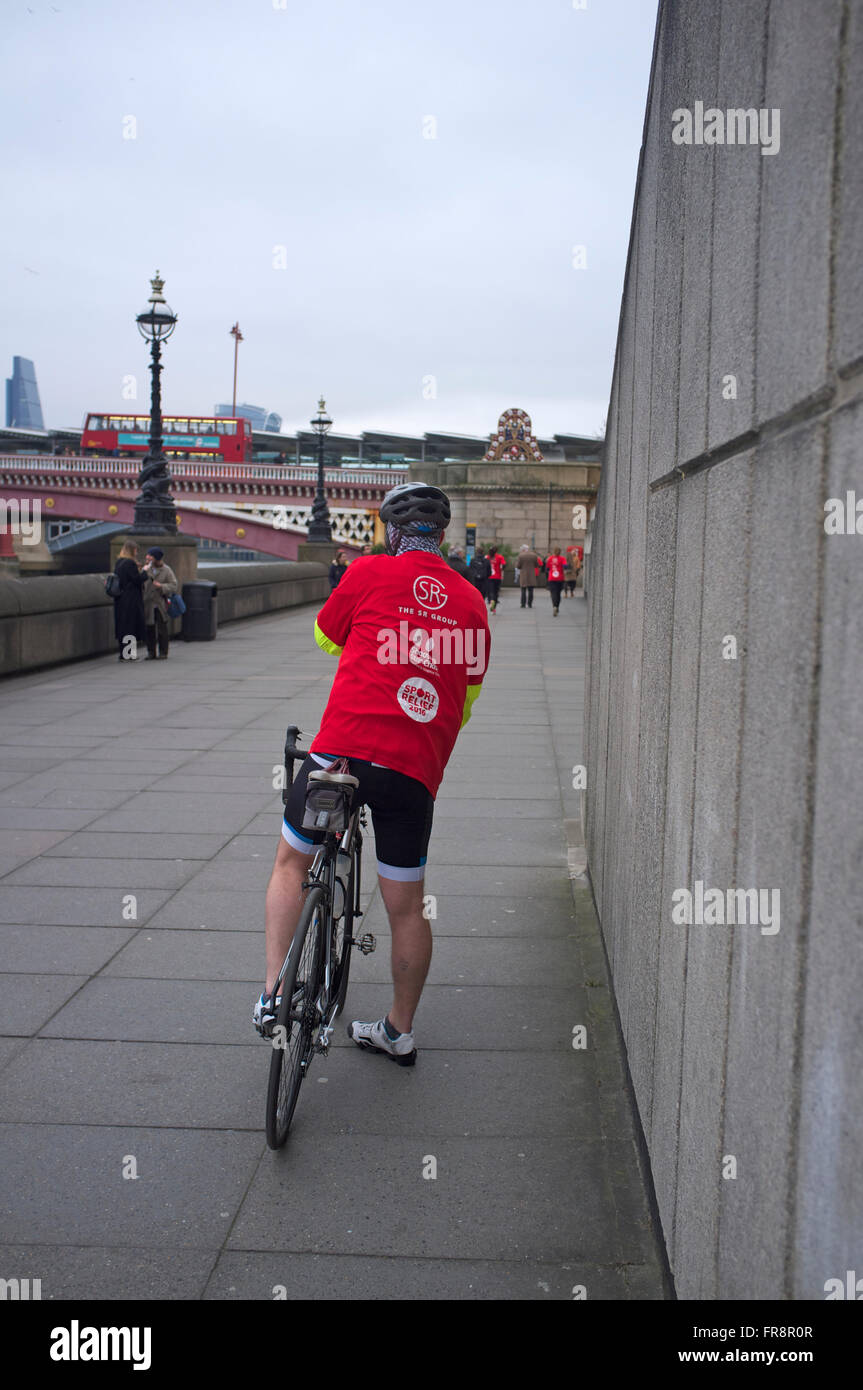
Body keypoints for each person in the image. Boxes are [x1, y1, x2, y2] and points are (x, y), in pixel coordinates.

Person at [255, 483, 491, 1065]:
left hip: (341, 753)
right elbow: (466, 699)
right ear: (444, 535)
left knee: (291, 862)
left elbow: (323, 637)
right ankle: (398, 1030)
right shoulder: (472, 601)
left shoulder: (364, 574)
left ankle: (273, 993)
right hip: (412, 770)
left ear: (391, 532)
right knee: (407, 907)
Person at [141, 547, 178, 660]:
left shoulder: (167, 570)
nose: (147, 558)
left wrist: (162, 586)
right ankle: (151, 652)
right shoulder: (146, 569)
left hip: (160, 604)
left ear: (156, 558)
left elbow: (174, 585)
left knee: (162, 629)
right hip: (148, 603)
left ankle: (163, 652)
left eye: (150, 556)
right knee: (149, 628)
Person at [112, 541, 146, 661]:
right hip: (131, 599)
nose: (137, 552)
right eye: (136, 550)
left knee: (122, 626)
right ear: (132, 550)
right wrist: (145, 572)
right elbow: (137, 580)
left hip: (120, 598)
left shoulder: (119, 562)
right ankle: (129, 654)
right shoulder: (130, 563)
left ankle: (123, 653)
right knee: (130, 626)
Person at [545, 546, 567, 616]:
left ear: (553, 552)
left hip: (552, 578)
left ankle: (554, 606)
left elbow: (547, 568)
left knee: (553, 593)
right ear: (560, 552)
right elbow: (565, 566)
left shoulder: (550, 558)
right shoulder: (562, 559)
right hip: (560, 578)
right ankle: (557, 606)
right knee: (558, 593)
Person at [486, 545, 507, 612]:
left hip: (489, 577)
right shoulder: (500, 557)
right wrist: (501, 569)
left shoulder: (487, 557)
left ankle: (491, 600)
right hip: (497, 577)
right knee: (496, 591)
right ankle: (494, 606)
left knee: (490, 591)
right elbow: (504, 565)